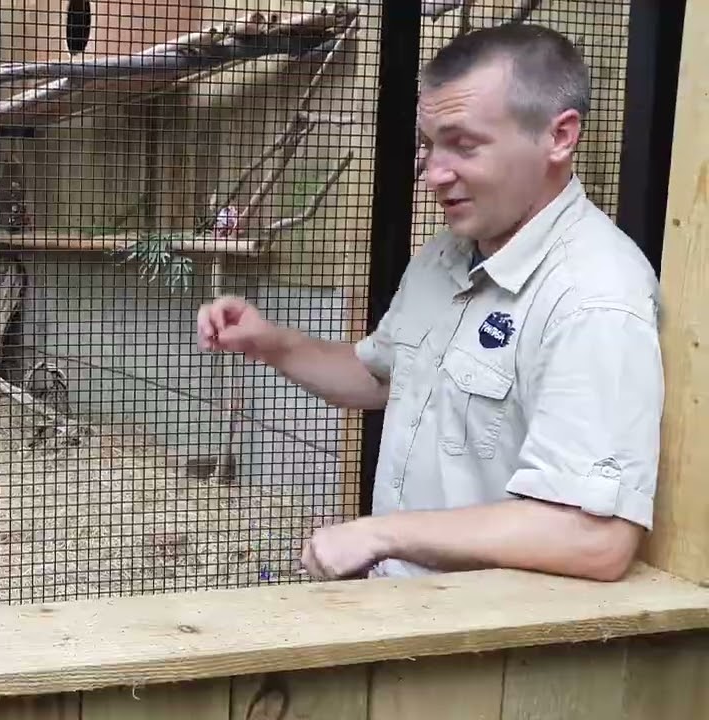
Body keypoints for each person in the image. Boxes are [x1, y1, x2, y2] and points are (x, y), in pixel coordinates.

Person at [196, 23, 663, 582]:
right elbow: (384, 378)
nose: (432, 174)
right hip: (404, 621)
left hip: (492, 651)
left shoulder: (594, 297)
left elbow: (595, 538)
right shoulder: (444, 256)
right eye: (428, 143)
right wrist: (273, 344)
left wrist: (382, 533)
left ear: (559, 137)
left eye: (463, 144)